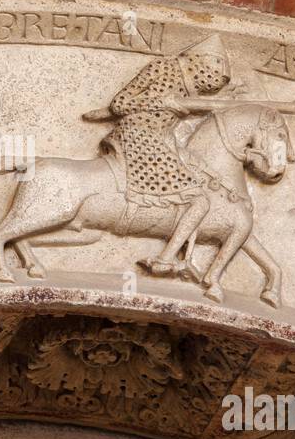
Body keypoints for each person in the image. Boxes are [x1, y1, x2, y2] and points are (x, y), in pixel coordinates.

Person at [97, 34, 234, 276]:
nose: (217, 78)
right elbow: (119, 104)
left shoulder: (192, 90)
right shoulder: (162, 67)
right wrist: (162, 102)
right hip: (136, 136)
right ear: (199, 60)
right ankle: (165, 258)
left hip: (160, 141)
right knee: (198, 200)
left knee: (200, 185)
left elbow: (173, 124)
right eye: (216, 66)